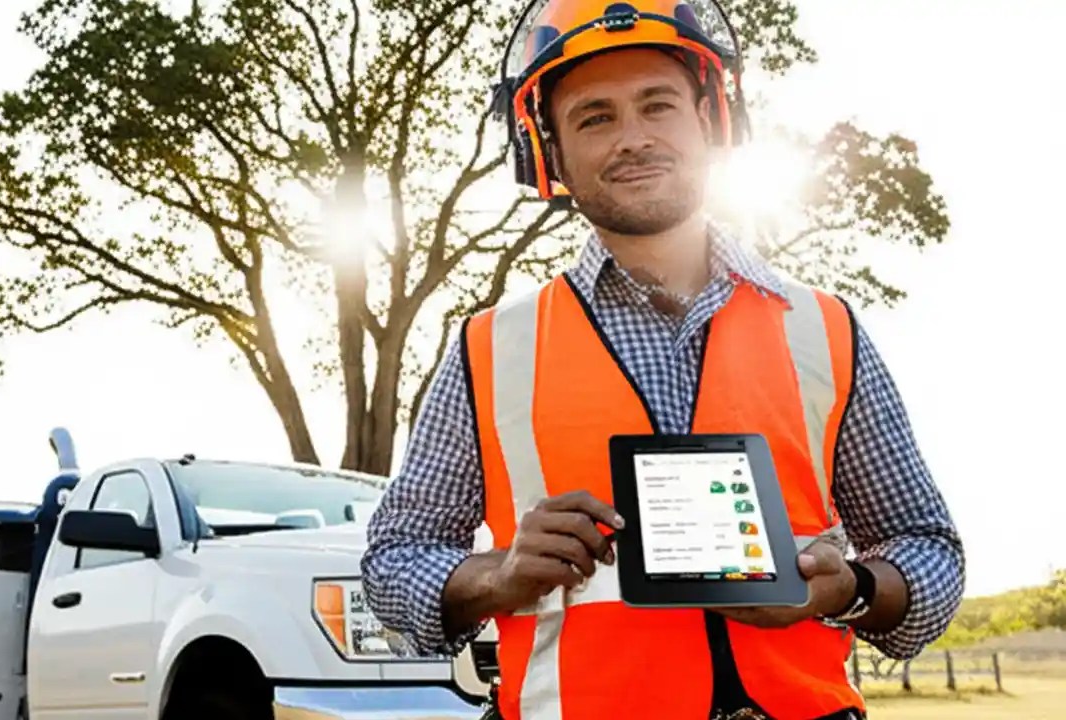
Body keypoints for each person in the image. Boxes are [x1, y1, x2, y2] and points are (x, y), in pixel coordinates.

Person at [360, 1, 964, 719]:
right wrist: (497, 577)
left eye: (658, 105)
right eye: (595, 118)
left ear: (709, 120)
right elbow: (393, 562)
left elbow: (928, 549)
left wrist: (852, 589)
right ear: (551, 153)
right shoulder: (490, 348)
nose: (634, 139)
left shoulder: (824, 329)